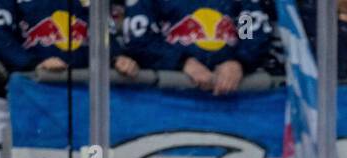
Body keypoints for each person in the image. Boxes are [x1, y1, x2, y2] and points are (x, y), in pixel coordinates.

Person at [116, 0, 273, 93]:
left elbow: (251, 32)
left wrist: (239, 62)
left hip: (233, 101)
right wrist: (182, 62)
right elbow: (141, 40)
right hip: (168, 98)